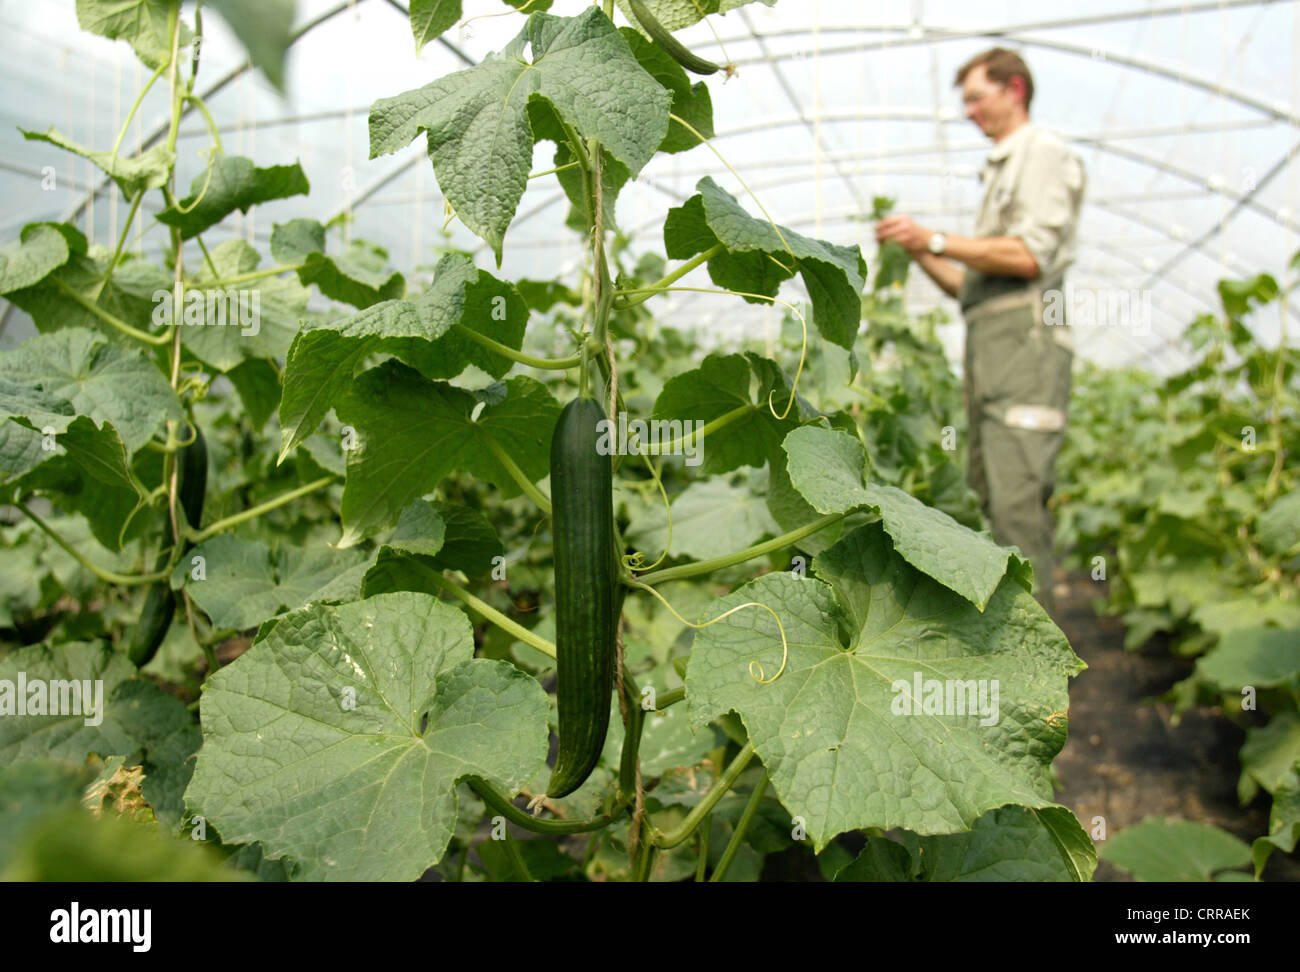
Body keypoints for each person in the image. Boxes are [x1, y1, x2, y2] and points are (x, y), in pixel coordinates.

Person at [875, 47, 1086, 619]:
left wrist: (937, 238)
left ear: (1014, 88)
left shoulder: (1040, 153)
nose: (968, 112)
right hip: (994, 348)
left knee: (1018, 506)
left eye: (975, 97)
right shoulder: (1001, 166)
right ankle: (1004, 634)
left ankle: (1038, 654)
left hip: (1026, 348)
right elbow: (966, 287)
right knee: (989, 494)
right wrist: (919, 250)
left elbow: (1027, 255)